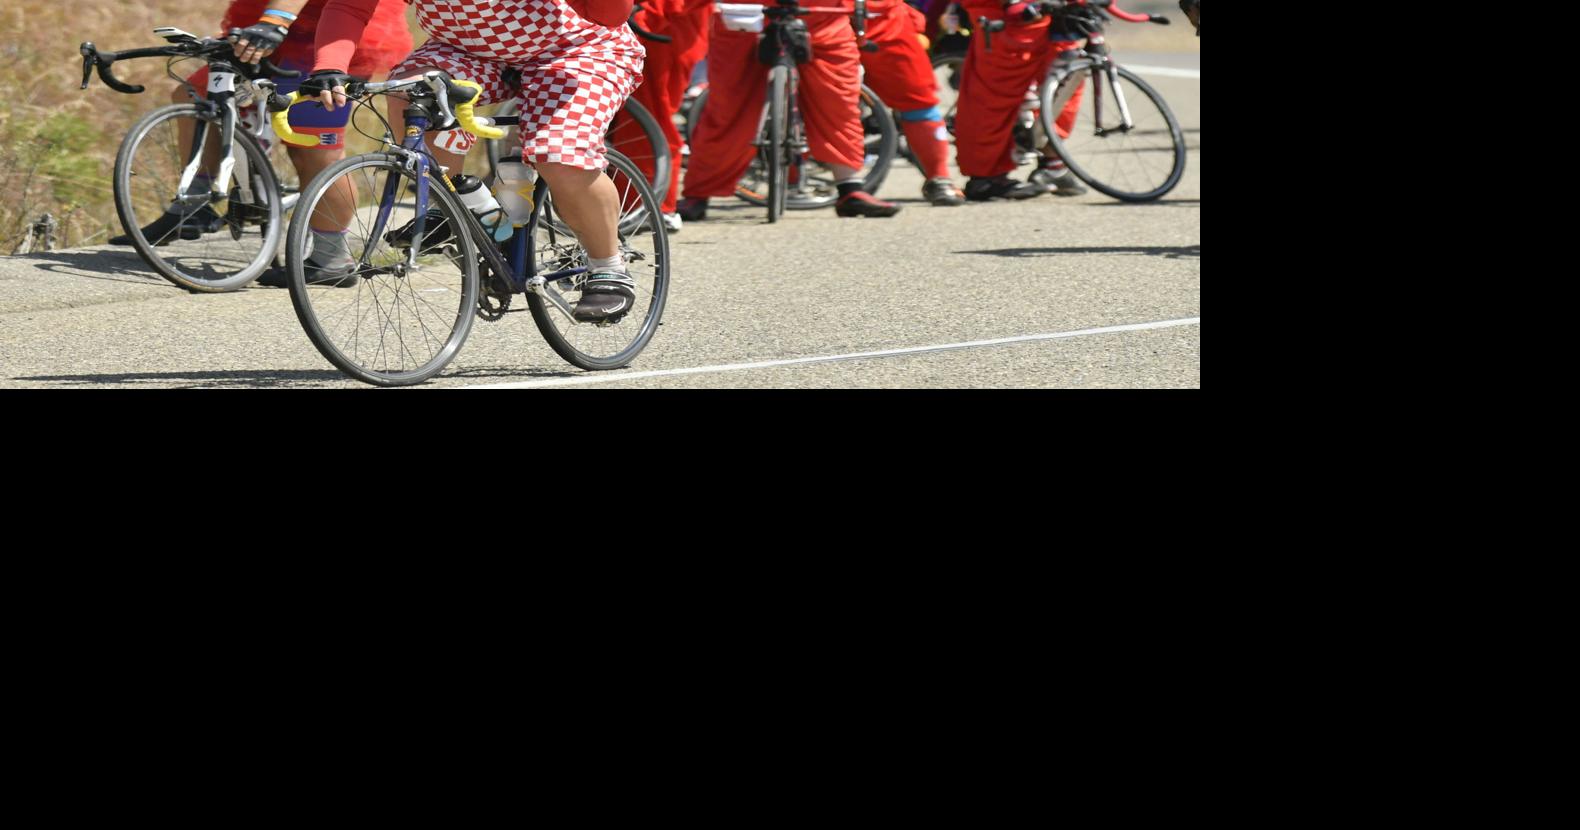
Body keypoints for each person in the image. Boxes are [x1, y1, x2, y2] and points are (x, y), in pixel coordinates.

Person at [304, 0, 646, 321]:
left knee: (558, 154)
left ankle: (608, 266)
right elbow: (350, 6)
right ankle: (451, 203)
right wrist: (330, 66)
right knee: (411, 91)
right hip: (467, 53)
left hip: (576, 51)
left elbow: (611, 15)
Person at [111, 0, 413, 289]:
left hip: (332, 33)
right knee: (196, 94)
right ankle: (193, 204)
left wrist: (274, 21)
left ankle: (330, 257)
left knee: (312, 147)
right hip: (270, 25)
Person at [676, 1, 901, 221]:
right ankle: (699, 194)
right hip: (747, 17)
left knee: (839, 105)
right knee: (728, 109)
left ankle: (850, 188)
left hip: (822, 17)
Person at [953, 0, 1088, 200]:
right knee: (996, 97)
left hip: (1044, 12)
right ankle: (985, 178)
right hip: (1007, 15)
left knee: (1069, 77)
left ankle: (1053, 163)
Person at [610, 0, 713, 233]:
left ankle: (654, 206)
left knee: (649, 119)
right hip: (641, 23)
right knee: (631, 119)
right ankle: (637, 204)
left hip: (661, 31)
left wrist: (644, 15)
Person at [859, 0, 964, 205]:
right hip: (822, 16)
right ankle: (796, 177)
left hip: (881, 19)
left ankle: (939, 177)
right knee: (812, 99)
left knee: (917, 99)